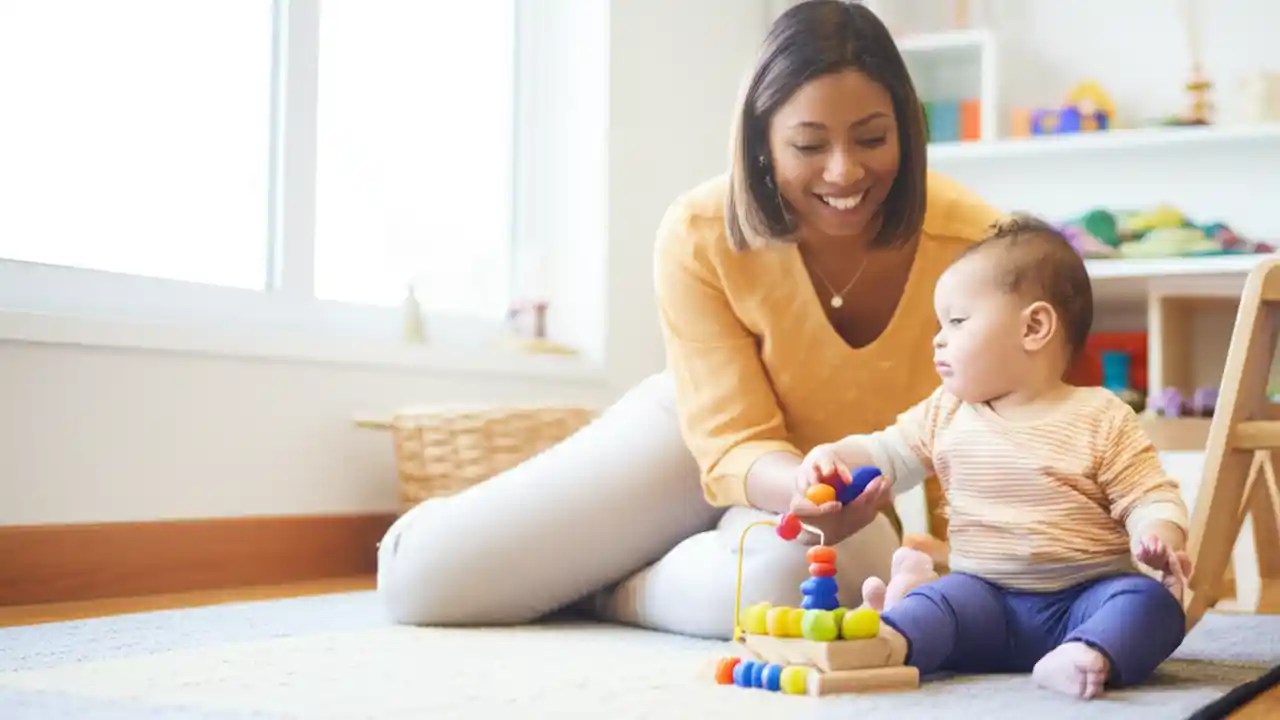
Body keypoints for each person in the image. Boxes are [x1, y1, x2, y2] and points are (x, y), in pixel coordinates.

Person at [375, 0, 1003, 640]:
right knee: (421, 579)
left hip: (838, 507)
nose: (845, 171)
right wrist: (801, 488)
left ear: (908, 129)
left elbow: (996, 440)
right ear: (761, 139)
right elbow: (730, 439)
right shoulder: (700, 232)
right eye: (809, 144)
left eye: (872, 138)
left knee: (818, 588)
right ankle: (611, 554)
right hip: (692, 446)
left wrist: (967, 564)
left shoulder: (982, 249)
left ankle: (616, 590)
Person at [795, 215, 1192, 699]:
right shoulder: (947, 411)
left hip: (1086, 597)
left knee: (1153, 605)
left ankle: (1087, 653)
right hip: (983, 598)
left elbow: (1149, 494)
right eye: (940, 325)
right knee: (937, 602)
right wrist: (831, 456)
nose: (938, 339)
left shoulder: (1100, 416)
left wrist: (1157, 538)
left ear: (1034, 327)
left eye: (957, 322)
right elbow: (885, 453)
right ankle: (891, 638)